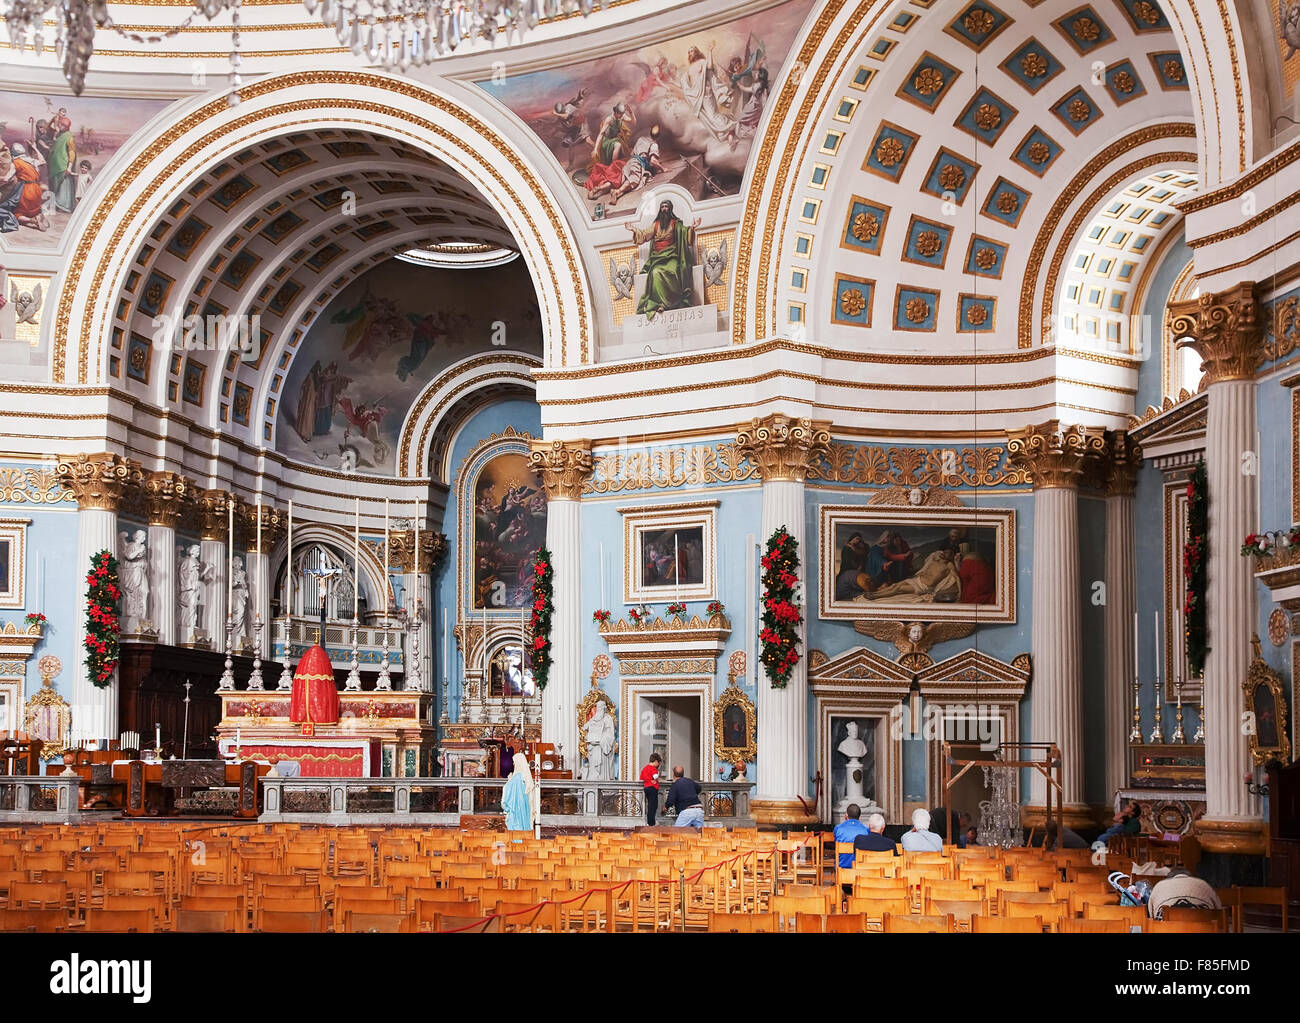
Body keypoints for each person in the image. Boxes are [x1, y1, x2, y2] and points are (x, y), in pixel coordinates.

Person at [626, 200, 701, 317]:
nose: (664, 209)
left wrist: (692, 228)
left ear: (670, 209)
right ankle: (658, 303)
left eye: (666, 207)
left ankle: (673, 302)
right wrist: (634, 230)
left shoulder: (675, 224)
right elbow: (645, 235)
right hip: (658, 259)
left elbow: (685, 234)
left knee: (674, 271)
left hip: (672, 257)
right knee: (655, 272)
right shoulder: (655, 225)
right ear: (660, 209)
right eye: (662, 207)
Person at [502, 752, 534, 832]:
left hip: (515, 807)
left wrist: (509, 780)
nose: (513, 764)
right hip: (524, 805)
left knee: (517, 826)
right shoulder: (525, 776)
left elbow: (508, 790)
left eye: (514, 762)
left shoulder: (517, 777)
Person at [833, 803, 871, 869]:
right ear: (859, 816)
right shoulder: (866, 829)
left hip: (842, 867)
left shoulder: (838, 828)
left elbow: (836, 841)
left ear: (846, 815)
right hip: (859, 867)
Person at [640, 752, 662, 826]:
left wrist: (649, 780)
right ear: (655, 761)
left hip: (646, 788)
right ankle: (651, 822)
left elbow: (642, 778)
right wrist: (657, 780)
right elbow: (655, 777)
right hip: (652, 788)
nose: (658, 765)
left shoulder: (645, 768)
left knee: (650, 805)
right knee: (653, 806)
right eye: (658, 763)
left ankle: (649, 821)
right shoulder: (653, 768)